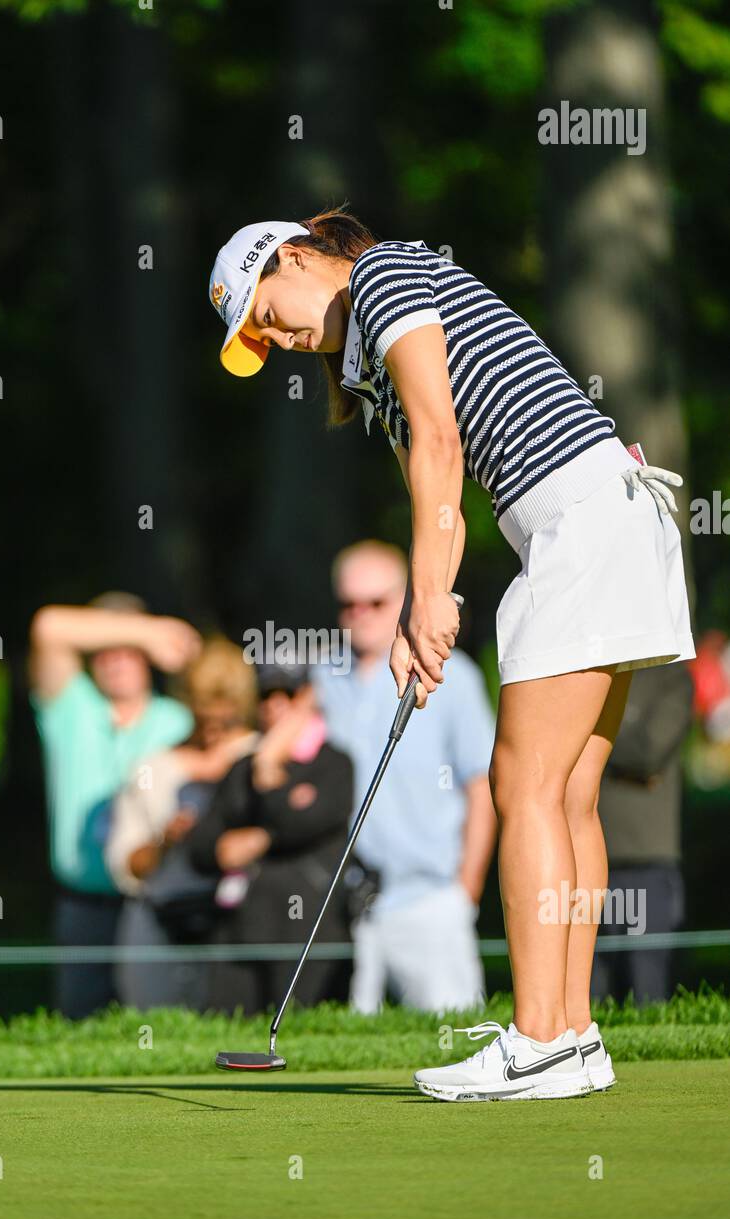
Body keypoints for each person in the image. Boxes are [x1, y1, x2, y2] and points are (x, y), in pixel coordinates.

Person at [208, 206, 695, 1101]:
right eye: (255, 338)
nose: (271, 337)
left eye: (264, 310)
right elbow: (429, 489)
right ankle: (576, 1036)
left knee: (522, 787)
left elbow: (444, 442)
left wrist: (433, 597)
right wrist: (412, 616)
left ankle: (539, 1036)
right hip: (609, 520)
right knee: (569, 792)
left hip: (582, 523)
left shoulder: (384, 274)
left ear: (295, 255)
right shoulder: (368, 373)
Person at [314, 538, 496, 1013]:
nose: (360, 614)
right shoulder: (321, 678)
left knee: (450, 1034)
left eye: (375, 602)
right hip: (342, 902)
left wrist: (466, 889)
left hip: (430, 896)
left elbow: (482, 787)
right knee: (347, 1048)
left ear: (404, 600)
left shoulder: (457, 678)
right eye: (348, 604)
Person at [28, 592, 200, 1018]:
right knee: (81, 1025)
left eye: (129, 652)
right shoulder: (72, 705)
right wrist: (147, 629)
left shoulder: (179, 719)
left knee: (161, 1024)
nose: (116, 661)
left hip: (154, 902)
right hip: (84, 902)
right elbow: (47, 627)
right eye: (104, 651)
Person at [185, 658, 354, 1016]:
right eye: (266, 695)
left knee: (302, 1036)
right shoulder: (240, 768)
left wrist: (269, 769)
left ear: (307, 699)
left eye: (288, 694)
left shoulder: (335, 764)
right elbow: (200, 845)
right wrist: (222, 848)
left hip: (310, 935)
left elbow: (303, 825)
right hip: (241, 932)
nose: (274, 704)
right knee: (227, 1039)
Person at [105, 637, 259, 1009]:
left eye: (227, 718)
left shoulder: (264, 760)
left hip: (243, 927)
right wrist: (167, 840)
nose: (214, 731)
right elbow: (126, 866)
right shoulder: (152, 769)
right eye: (204, 716)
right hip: (163, 926)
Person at [591, 661, 693, 1003]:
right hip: (592, 859)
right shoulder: (600, 669)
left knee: (646, 988)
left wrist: (590, 740)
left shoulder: (673, 677)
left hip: (648, 865)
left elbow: (649, 752)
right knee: (588, 992)